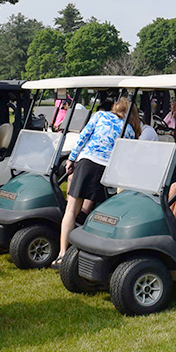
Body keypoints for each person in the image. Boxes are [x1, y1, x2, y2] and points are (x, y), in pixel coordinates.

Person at [55, 97, 134, 267]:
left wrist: (71, 159)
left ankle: (62, 253)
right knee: (102, 213)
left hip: (88, 162)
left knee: (71, 209)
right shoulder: (129, 130)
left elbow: (83, 137)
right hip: (107, 170)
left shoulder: (100, 116)